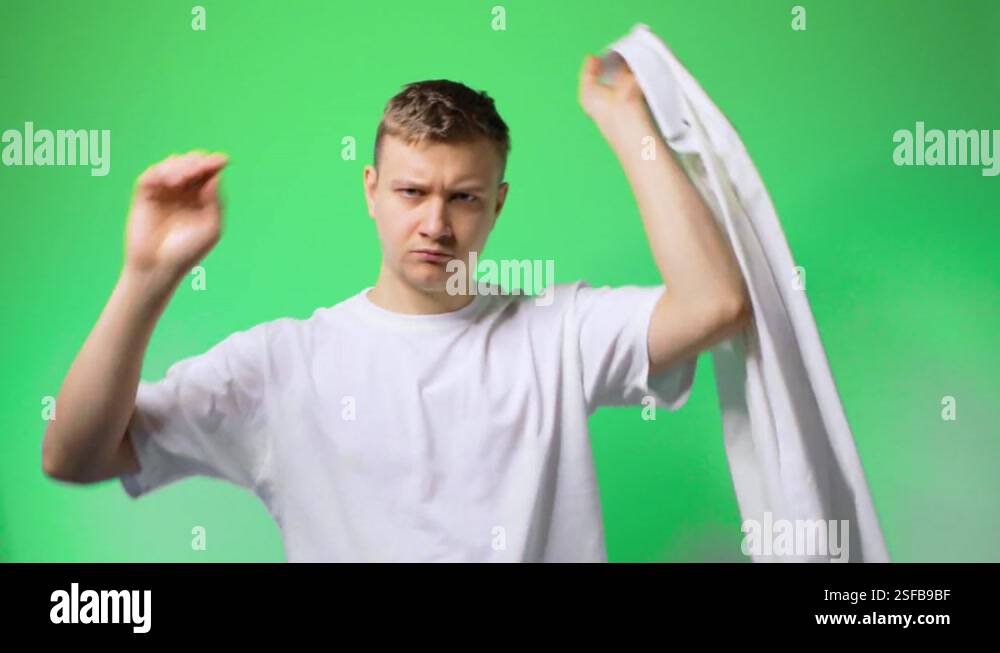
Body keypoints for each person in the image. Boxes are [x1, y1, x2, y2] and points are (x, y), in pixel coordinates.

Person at [41, 56, 750, 562]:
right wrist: (146, 276)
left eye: (463, 197)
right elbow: (74, 455)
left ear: (496, 204)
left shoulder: (558, 332)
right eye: (413, 193)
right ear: (372, 190)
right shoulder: (283, 363)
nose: (437, 224)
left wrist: (626, 121)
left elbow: (714, 302)